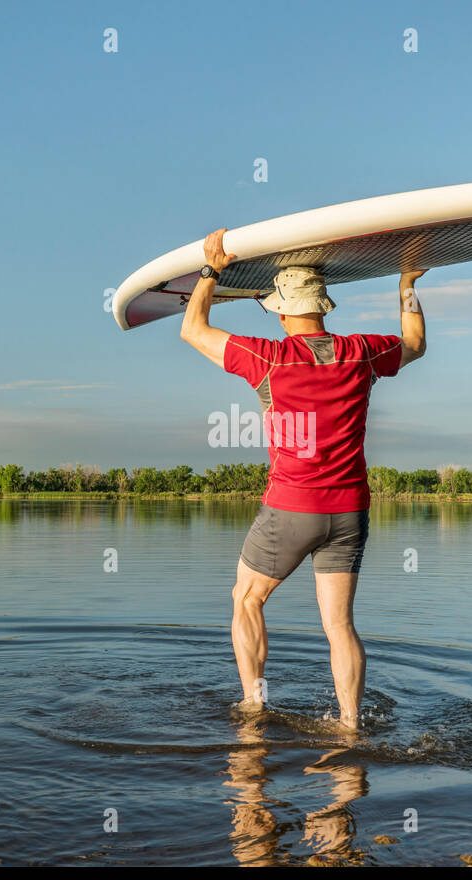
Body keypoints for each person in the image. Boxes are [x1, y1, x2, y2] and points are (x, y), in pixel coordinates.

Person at [180, 228, 427, 729]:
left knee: (246, 598)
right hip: (351, 512)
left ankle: (253, 705)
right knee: (339, 626)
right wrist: (406, 284)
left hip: (292, 509)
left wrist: (210, 270)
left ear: (282, 311)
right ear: (324, 305)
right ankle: (351, 724)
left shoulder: (269, 357)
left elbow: (192, 329)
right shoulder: (361, 353)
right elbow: (416, 344)